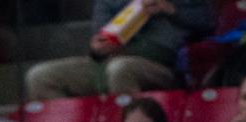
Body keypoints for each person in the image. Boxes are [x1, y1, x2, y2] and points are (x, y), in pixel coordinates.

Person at [25, 0, 216, 101]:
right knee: (40, 76)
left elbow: (208, 22)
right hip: (107, 62)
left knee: (120, 69)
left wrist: (171, 9)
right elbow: (99, 40)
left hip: (160, 66)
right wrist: (98, 47)